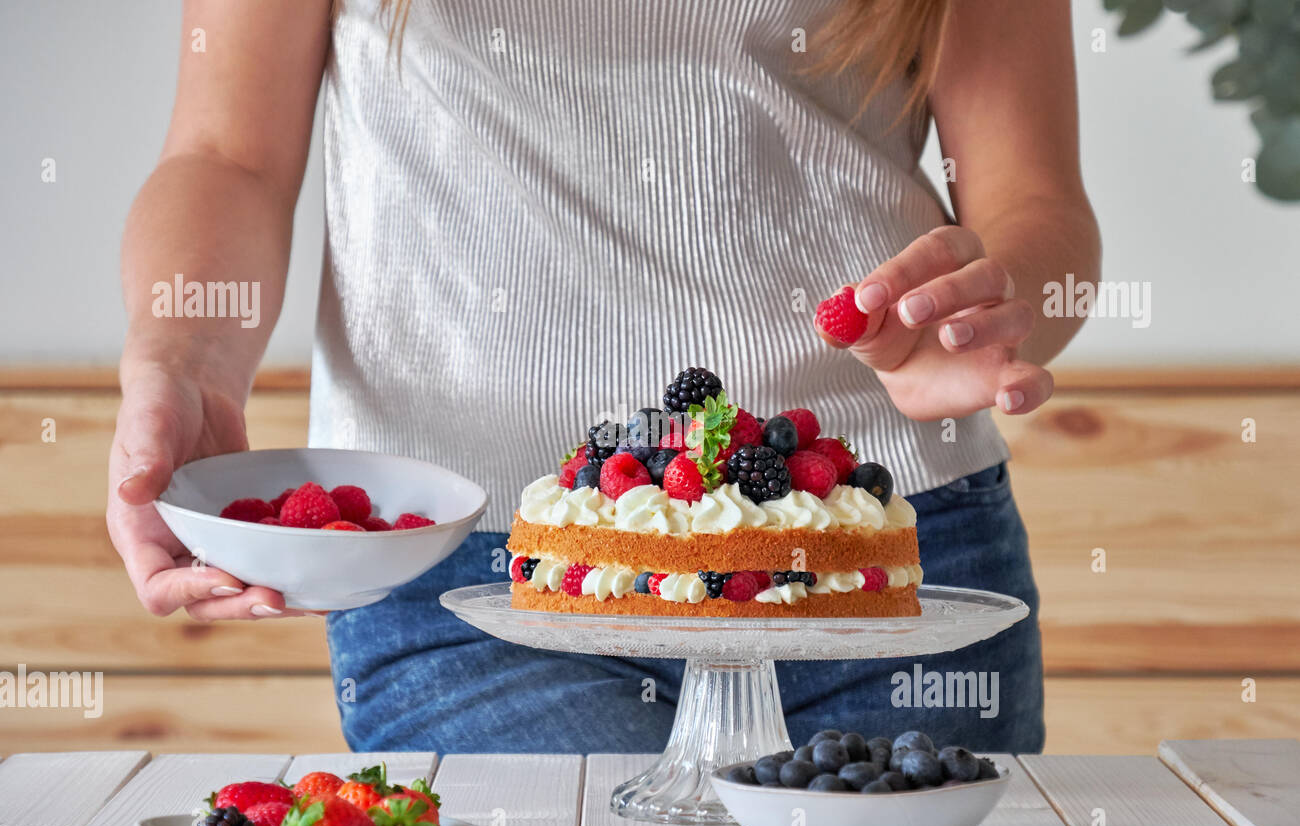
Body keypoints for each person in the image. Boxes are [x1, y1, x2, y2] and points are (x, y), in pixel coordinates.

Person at [109, 0, 1100, 754]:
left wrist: (991, 306)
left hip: (878, 552)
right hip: (476, 571)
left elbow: (1032, 192)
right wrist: (181, 356)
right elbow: (227, 155)